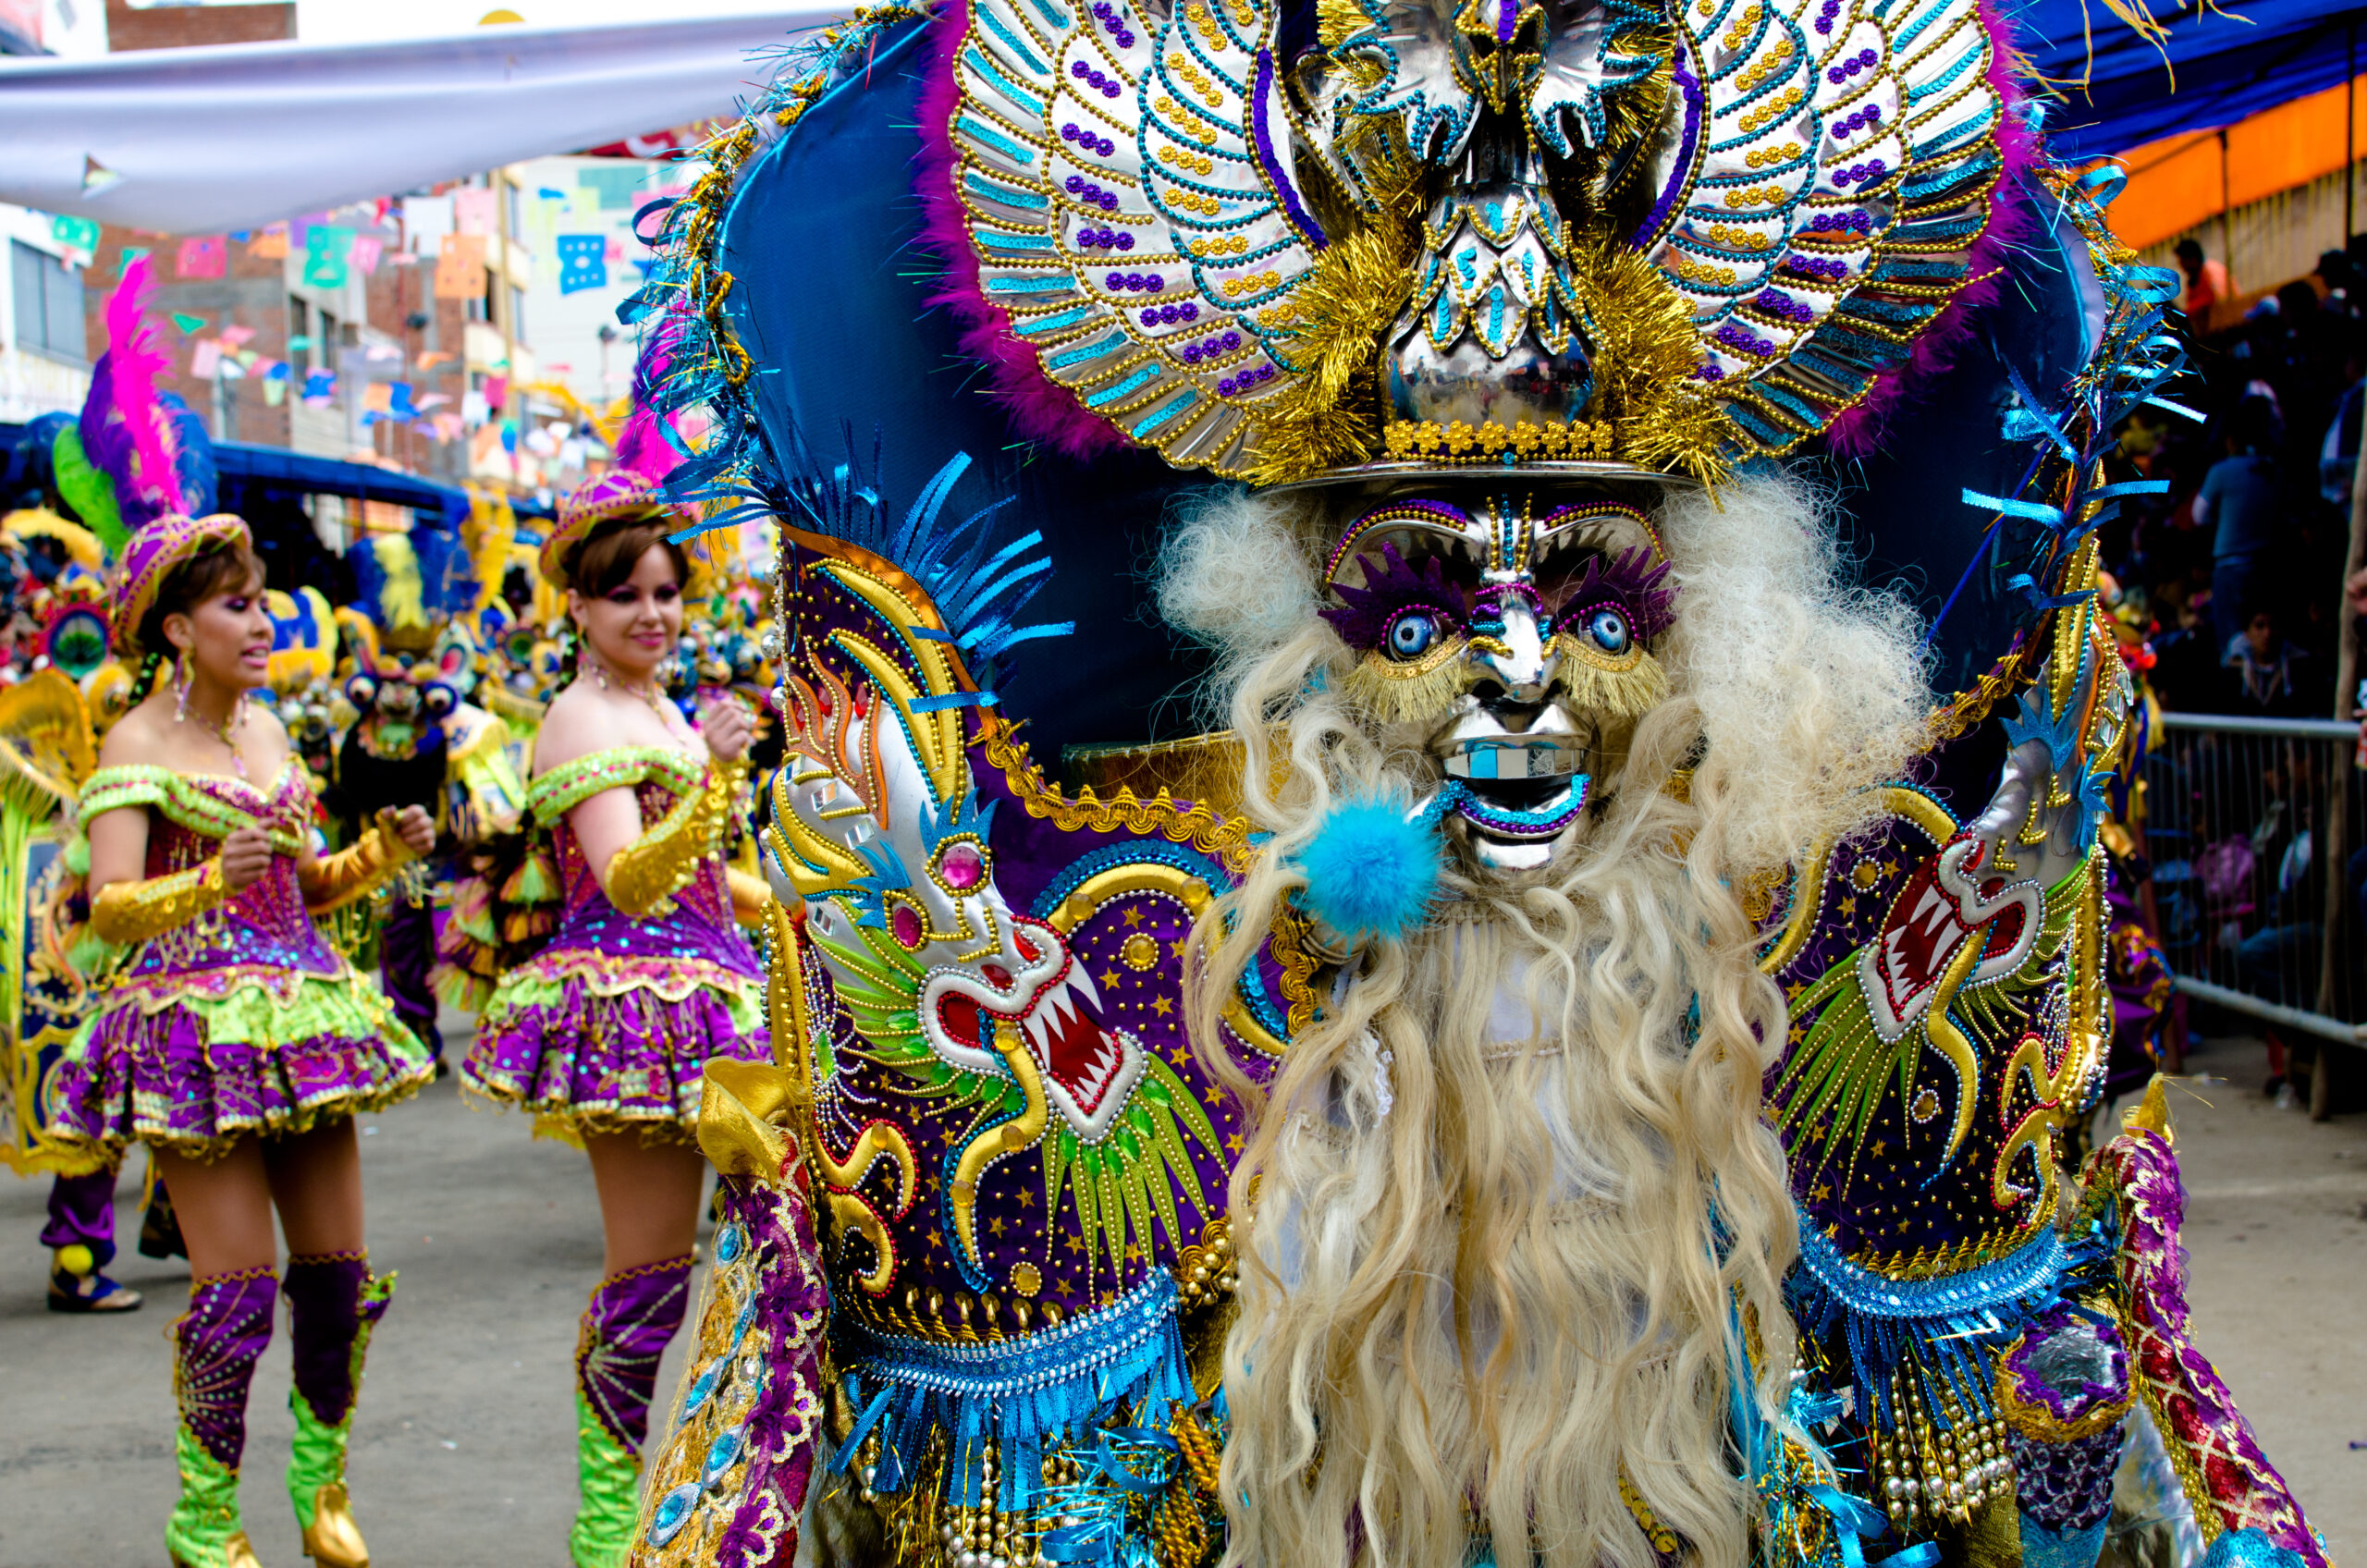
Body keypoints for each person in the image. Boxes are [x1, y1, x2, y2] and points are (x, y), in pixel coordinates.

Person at [41, 259, 435, 1568]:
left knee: (338, 1278)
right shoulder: (132, 747)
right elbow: (108, 909)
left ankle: (322, 1491)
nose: (262, 624)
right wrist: (211, 877)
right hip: (190, 1034)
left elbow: (301, 887)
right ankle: (204, 1514)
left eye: (259, 601)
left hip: (303, 1017)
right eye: (236, 605)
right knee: (234, 1290)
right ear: (174, 629)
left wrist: (372, 855)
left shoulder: (269, 732)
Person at [448, 344, 768, 1568]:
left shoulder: (658, 708)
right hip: (630, 1007)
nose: (653, 613)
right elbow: (631, 876)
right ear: (577, 607)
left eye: (667, 592)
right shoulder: (581, 715)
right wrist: (723, 780)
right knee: (647, 1280)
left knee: (717, 1269)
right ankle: (601, 1529)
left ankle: (667, 1508)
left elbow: (705, 878)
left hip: (710, 991)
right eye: (625, 593)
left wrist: (797, 895)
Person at [2195, 396, 2286, 655]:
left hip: (2231, 567)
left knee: (2232, 643)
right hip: (2267, 564)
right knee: (2265, 642)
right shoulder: (2273, 469)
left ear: (2231, 439)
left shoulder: (2222, 471)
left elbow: (2199, 516)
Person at [2177, 235, 2232, 322]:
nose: (2181, 266)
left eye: (2182, 261)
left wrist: (2193, 308)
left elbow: (2219, 297)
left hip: (2228, 317)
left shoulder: (2211, 271)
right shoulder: (2194, 277)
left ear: (2192, 259)